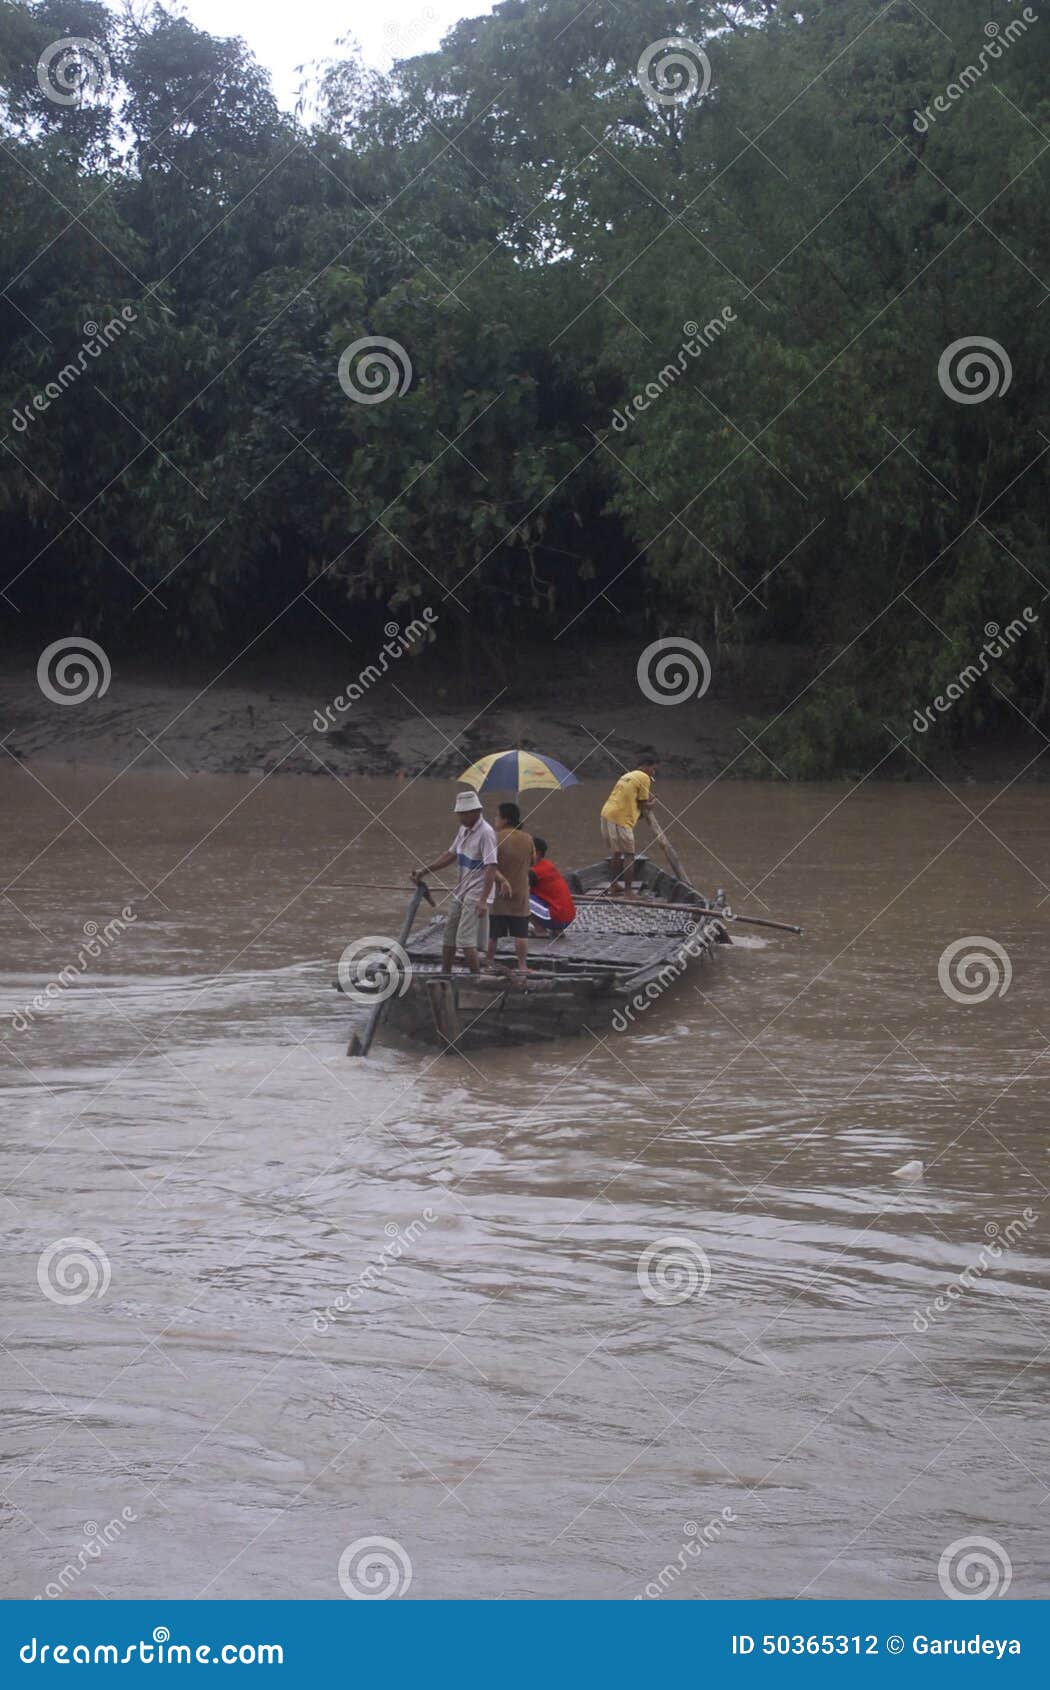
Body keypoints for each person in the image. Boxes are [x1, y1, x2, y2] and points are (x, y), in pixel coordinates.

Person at [411, 791, 497, 974]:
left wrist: (483, 900)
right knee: (449, 936)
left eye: (465, 814)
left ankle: (476, 977)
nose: (462, 817)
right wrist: (424, 871)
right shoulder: (463, 830)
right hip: (462, 889)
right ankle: (445, 973)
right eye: (460, 814)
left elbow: (491, 867)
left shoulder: (486, 833)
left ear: (477, 811)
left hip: (477, 891)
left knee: (465, 940)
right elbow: (451, 855)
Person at [486, 801, 534, 982]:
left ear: (505, 819)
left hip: (499, 893)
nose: (495, 819)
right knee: (521, 933)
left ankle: (489, 963)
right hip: (520, 892)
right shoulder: (528, 839)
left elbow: (489, 864)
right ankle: (522, 965)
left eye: (497, 816)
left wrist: (502, 879)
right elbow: (533, 862)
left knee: (493, 934)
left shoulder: (495, 838)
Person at [600, 753, 657, 895]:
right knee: (630, 855)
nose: (654, 772)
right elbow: (643, 805)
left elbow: (633, 802)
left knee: (617, 853)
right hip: (620, 818)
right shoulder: (644, 777)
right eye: (653, 769)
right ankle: (628, 892)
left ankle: (614, 885)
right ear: (646, 766)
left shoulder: (627, 775)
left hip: (606, 814)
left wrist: (645, 805)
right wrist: (652, 804)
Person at [528, 837, 576, 935]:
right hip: (568, 917)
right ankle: (557, 930)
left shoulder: (534, 871)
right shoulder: (548, 865)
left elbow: (519, 887)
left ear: (536, 853)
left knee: (519, 896)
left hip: (557, 917)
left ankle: (539, 930)